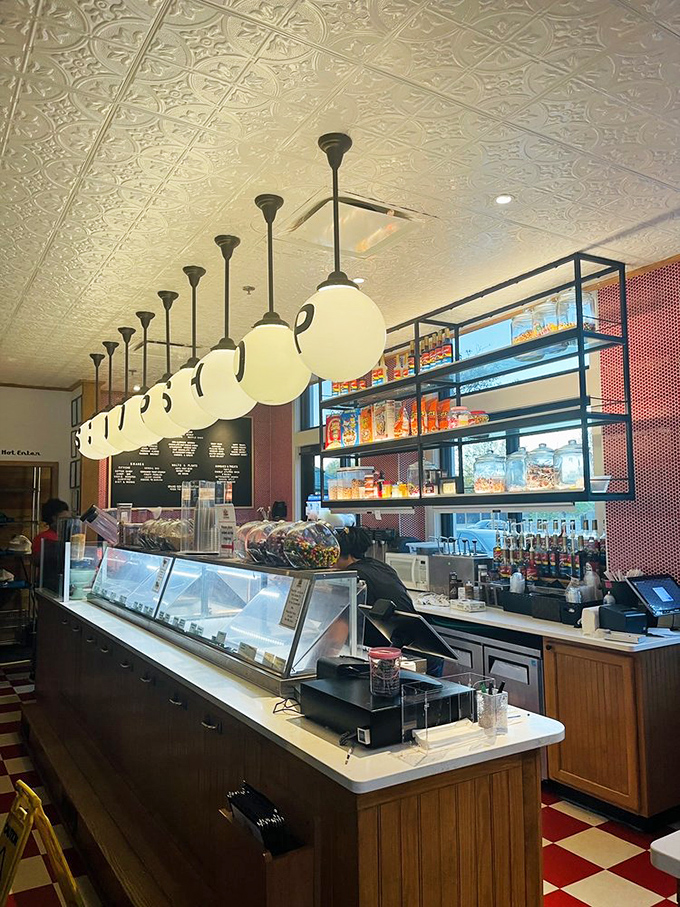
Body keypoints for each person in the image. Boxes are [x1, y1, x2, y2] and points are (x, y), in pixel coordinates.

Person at [335, 527, 416, 612]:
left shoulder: (354, 575)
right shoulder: (378, 565)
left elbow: (345, 619)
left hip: (392, 624)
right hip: (411, 621)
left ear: (341, 553)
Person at [32, 498, 70, 563]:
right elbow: (37, 561)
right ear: (54, 518)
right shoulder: (43, 537)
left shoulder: (67, 535)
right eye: (64, 519)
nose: (68, 522)